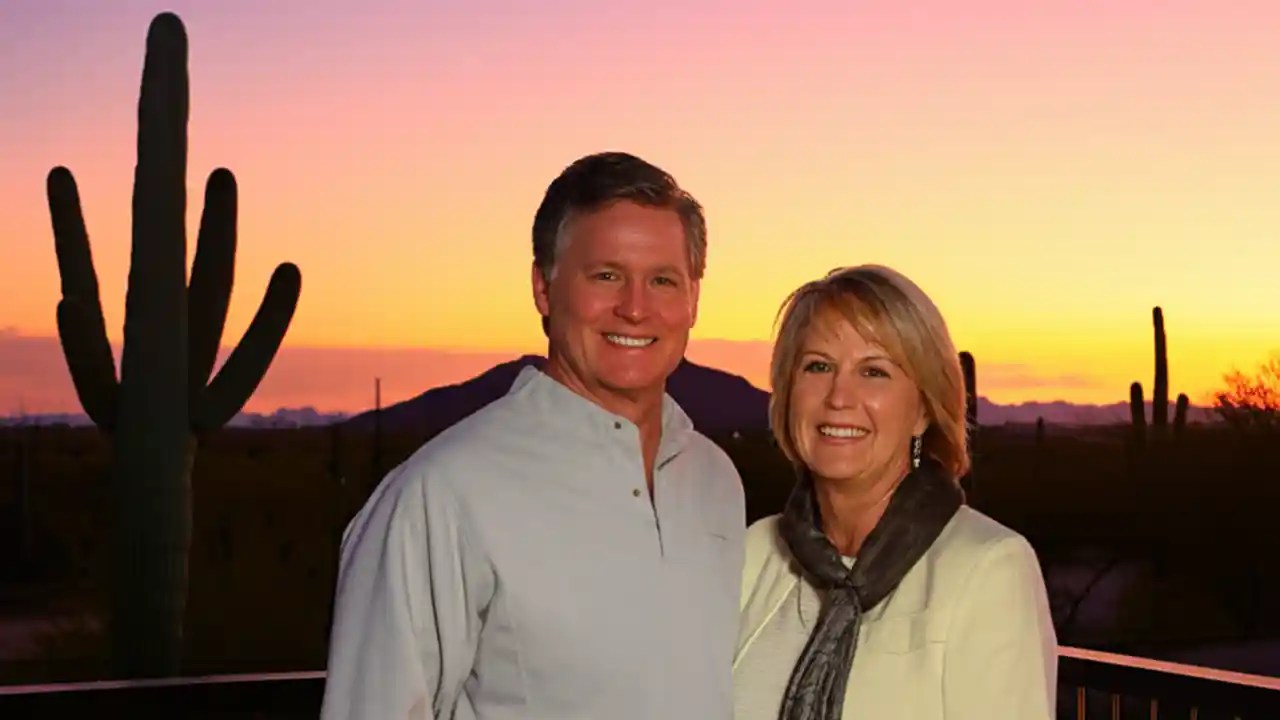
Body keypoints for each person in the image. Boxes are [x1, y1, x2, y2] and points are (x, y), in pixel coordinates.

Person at [319, 151, 745, 720]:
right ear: (544, 288)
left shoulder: (715, 480)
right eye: (607, 276)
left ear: (692, 299)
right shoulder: (440, 495)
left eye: (663, 280)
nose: (636, 309)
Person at [733, 265, 1057, 719]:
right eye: (818, 366)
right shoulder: (755, 554)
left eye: (874, 372)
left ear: (924, 409)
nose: (839, 397)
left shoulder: (989, 567)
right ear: (788, 393)